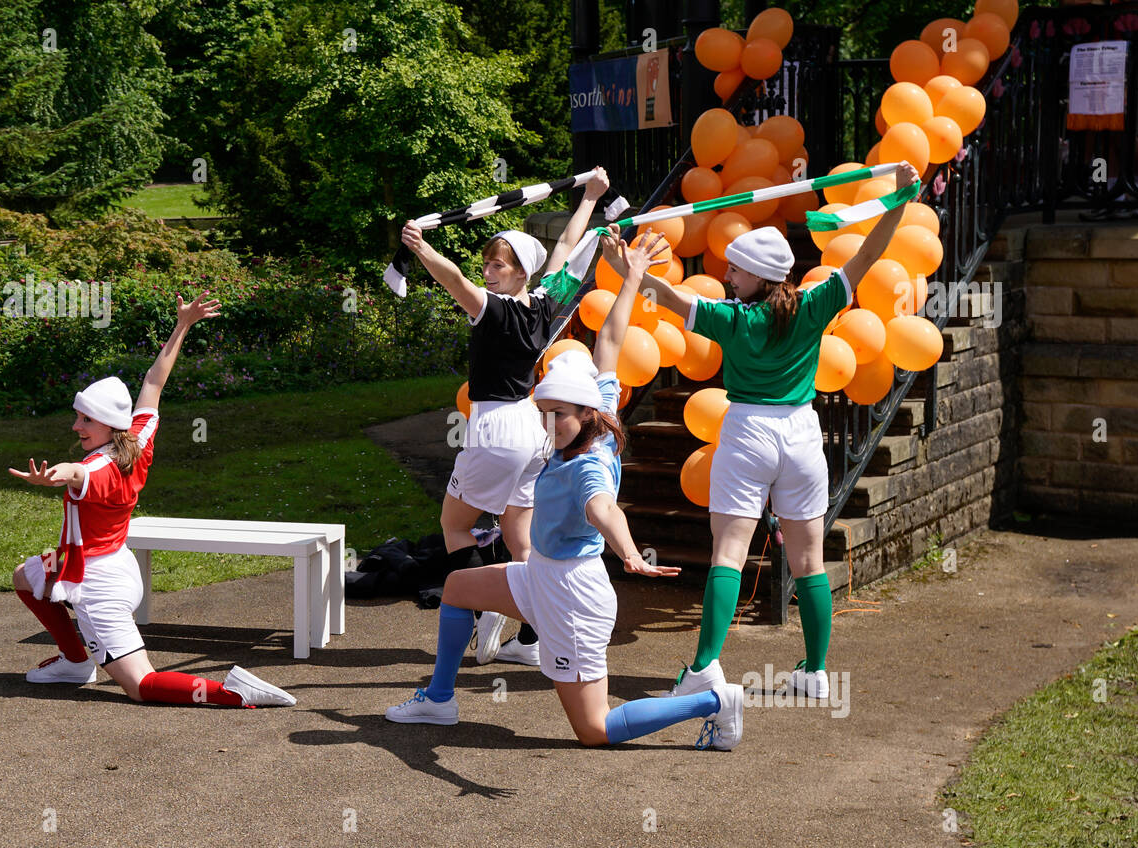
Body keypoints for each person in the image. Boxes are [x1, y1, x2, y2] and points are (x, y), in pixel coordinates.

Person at [385, 230, 745, 751]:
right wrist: (634, 276)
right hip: (539, 576)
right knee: (460, 590)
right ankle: (440, 700)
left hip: (574, 597)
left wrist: (630, 554)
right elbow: (613, 339)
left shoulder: (588, 467)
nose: (549, 423)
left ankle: (714, 702)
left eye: (558, 415)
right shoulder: (597, 402)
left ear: (584, 414)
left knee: (593, 730)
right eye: (544, 411)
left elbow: (604, 509)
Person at [599, 162, 919, 701]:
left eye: (736, 272)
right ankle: (815, 672)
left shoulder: (731, 318)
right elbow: (868, 256)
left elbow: (665, 296)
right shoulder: (815, 305)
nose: (728, 277)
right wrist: (901, 203)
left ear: (759, 277)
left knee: (728, 553)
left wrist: (625, 265)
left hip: (746, 432)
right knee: (810, 559)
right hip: (800, 435)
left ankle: (704, 669)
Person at [9, 291, 295, 708]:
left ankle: (232, 691)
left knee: (141, 685)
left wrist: (50, 476)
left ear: (108, 425)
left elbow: (76, 472)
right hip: (113, 562)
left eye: (85, 419)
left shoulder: (96, 471)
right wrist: (184, 324)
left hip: (97, 585)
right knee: (26, 576)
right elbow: (154, 381)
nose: (76, 425)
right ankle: (74, 662)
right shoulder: (137, 437)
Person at [398, 168, 612, 668]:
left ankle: (485, 604)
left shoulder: (491, 310)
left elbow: (452, 279)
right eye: (488, 264)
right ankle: (533, 637)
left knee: (454, 526)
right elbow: (565, 246)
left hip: (496, 429)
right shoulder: (545, 303)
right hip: (533, 430)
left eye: (499, 265)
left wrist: (420, 247)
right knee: (521, 538)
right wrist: (590, 198)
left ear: (520, 273)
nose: (489, 272)